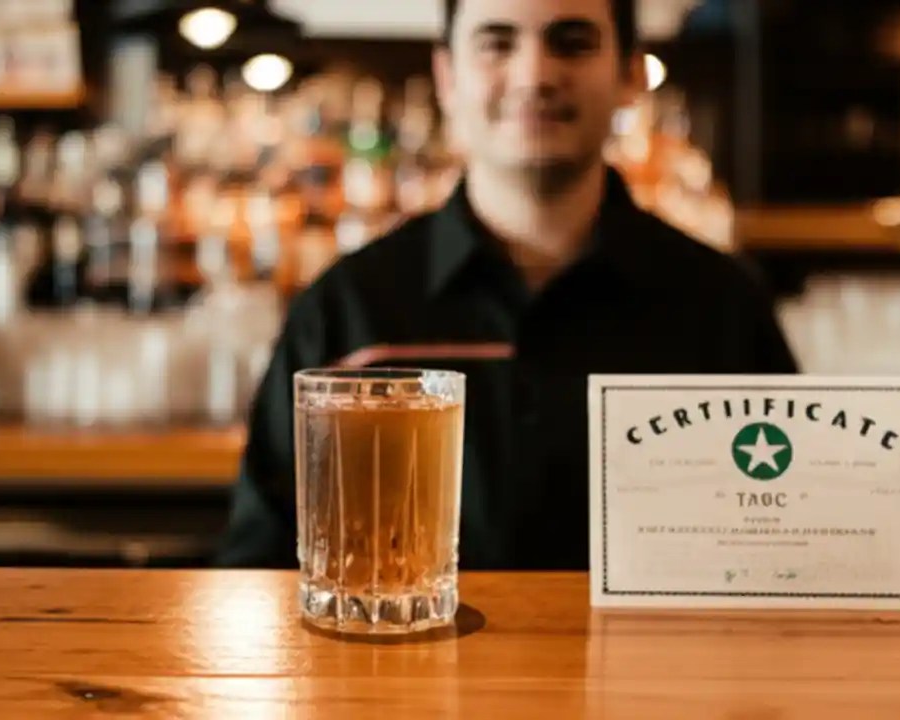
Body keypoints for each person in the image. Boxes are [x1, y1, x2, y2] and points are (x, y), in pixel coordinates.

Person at [216, 0, 798, 570]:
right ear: (447, 76)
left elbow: (789, 547)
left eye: (572, 42)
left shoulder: (723, 307)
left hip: (653, 669)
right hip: (403, 669)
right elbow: (257, 571)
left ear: (629, 76)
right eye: (497, 43)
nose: (535, 74)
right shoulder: (346, 310)